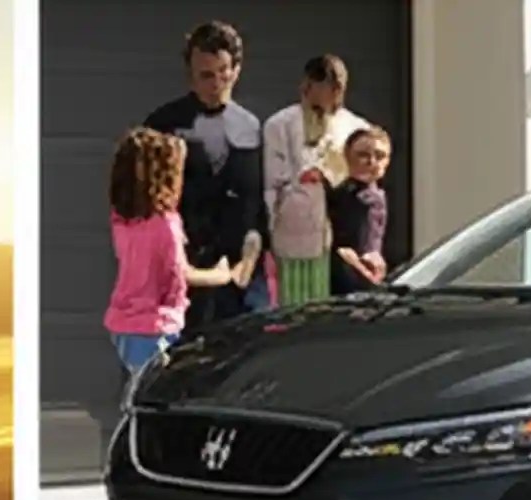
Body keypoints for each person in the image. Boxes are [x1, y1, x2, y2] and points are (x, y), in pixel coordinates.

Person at [142, 20, 265, 330]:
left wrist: (251, 254)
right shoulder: (163, 125)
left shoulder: (251, 127)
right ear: (190, 74)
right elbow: (144, 199)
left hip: (235, 273)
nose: (216, 83)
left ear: (236, 70)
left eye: (224, 73)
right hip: (180, 268)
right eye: (206, 75)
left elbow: (256, 199)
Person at [103, 127, 250, 373]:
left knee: (137, 385)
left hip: (123, 324)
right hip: (154, 326)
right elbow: (180, 273)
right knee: (155, 390)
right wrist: (222, 274)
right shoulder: (166, 224)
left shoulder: (122, 219)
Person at [263, 54, 372, 306]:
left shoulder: (356, 127)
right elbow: (272, 181)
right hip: (295, 228)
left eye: (335, 88)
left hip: (342, 229)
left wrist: (332, 175)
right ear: (307, 85)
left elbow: (366, 174)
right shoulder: (280, 124)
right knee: (294, 303)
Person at [327, 126, 392, 295]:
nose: (372, 162)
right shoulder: (338, 192)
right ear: (347, 156)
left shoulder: (373, 198)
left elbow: (370, 242)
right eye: (363, 155)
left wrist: (367, 259)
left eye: (380, 156)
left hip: (357, 275)